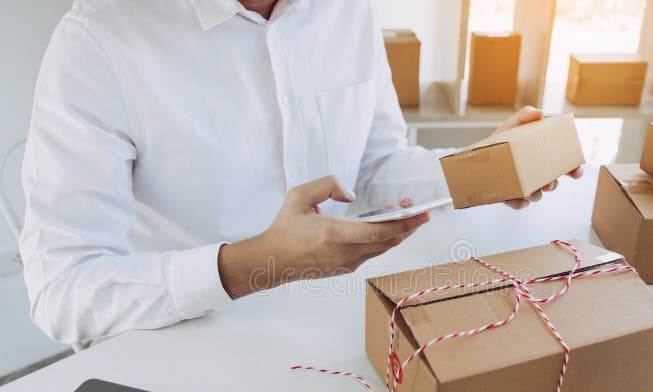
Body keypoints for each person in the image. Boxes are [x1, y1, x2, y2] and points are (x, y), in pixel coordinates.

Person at [19, 0, 582, 346]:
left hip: (335, 327)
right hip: (183, 342)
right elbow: (62, 292)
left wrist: (486, 167)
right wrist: (256, 265)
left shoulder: (346, 10)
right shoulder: (99, 39)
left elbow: (373, 169)